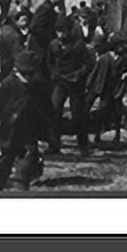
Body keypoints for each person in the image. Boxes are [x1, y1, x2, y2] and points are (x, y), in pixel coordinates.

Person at [0, 50, 50, 191]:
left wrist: (45, 137)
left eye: (32, 73)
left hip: (29, 133)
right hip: (9, 132)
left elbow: (45, 114)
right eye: (24, 73)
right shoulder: (7, 85)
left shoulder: (40, 86)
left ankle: (21, 187)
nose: (28, 77)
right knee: (4, 166)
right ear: (16, 70)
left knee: (26, 166)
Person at [45, 16, 94, 156]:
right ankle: (54, 144)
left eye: (63, 31)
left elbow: (88, 64)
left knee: (78, 113)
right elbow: (48, 62)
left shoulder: (78, 45)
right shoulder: (53, 44)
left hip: (75, 83)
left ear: (69, 31)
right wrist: (53, 73)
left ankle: (83, 145)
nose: (61, 34)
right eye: (58, 31)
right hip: (60, 81)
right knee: (54, 109)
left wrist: (79, 75)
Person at [84, 33, 127, 148]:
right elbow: (94, 73)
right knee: (101, 111)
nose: (122, 48)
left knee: (117, 113)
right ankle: (97, 135)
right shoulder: (104, 58)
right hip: (104, 89)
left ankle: (117, 136)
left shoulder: (124, 59)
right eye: (120, 46)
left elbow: (126, 72)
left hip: (116, 89)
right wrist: (88, 85)